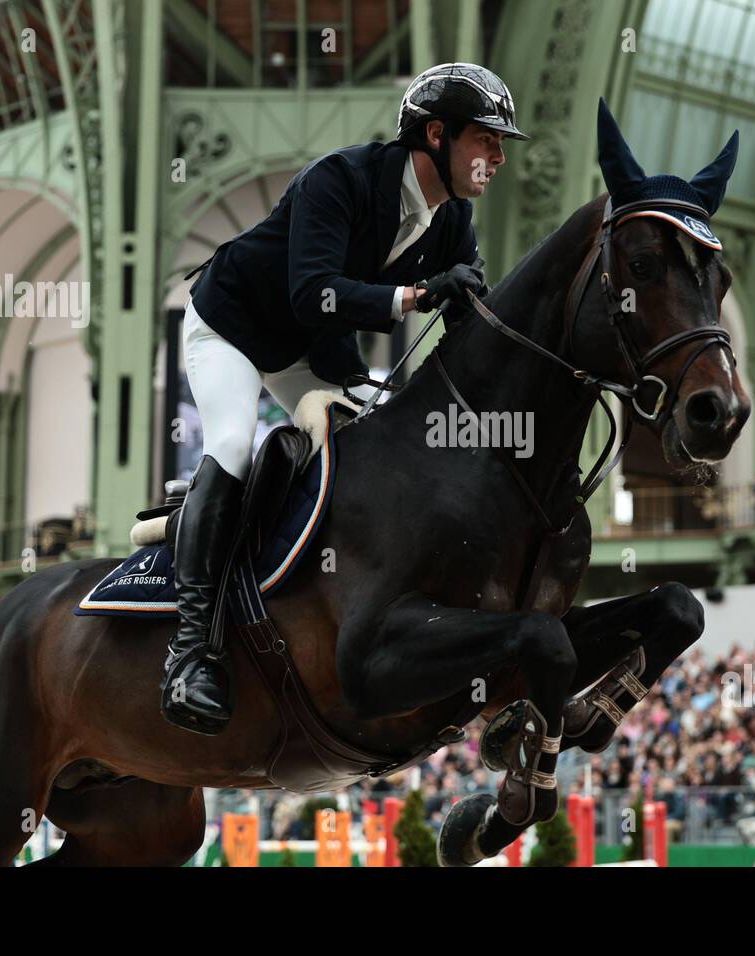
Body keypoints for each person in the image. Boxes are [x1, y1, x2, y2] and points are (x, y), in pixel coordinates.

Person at [161, 63, 529, 733]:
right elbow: (314, 294)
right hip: (234, 326)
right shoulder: (341, 179)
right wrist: (416, 296)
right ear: (437, 135)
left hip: (317, 353)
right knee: (235, 443)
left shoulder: (453, 222)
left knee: (388, 449)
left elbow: (469, 332)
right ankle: (190, 654)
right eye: (487, 140)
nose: (498, 157)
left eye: (501, 145)